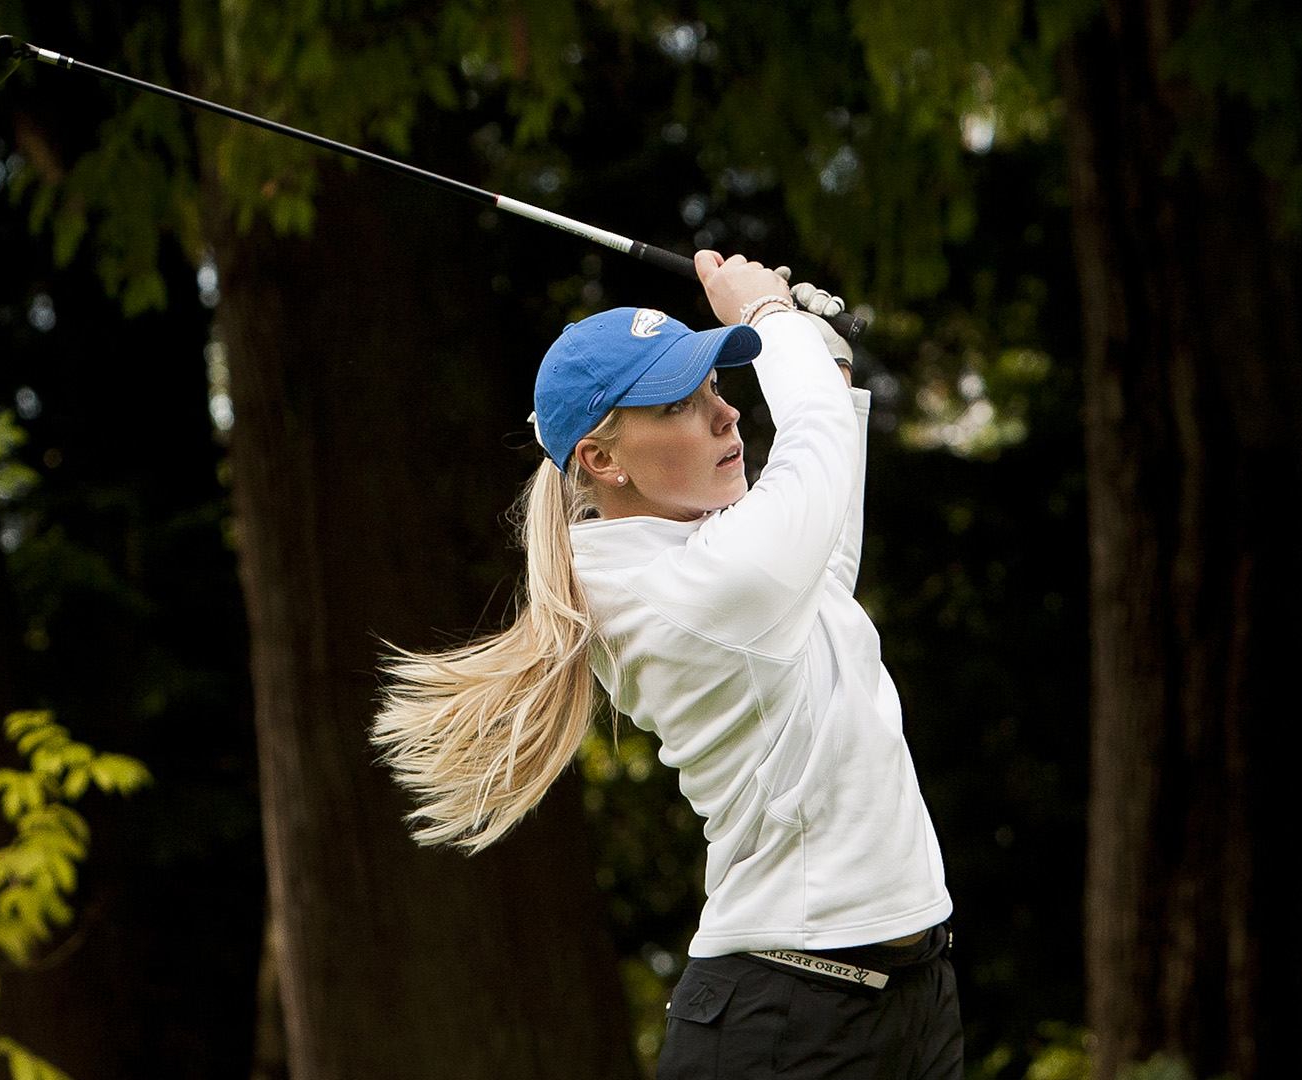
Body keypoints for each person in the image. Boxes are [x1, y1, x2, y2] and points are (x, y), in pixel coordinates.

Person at [372, 251, 960, 1080]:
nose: (726, 416)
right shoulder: (683, 590)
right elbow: (814, 471)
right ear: (602, 461)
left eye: (716, 388)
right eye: (681, 405)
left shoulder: (693, 564)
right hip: (789, 1022)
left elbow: (821, 566)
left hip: (903, 996)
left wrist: (822, 364)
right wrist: (771, 317)